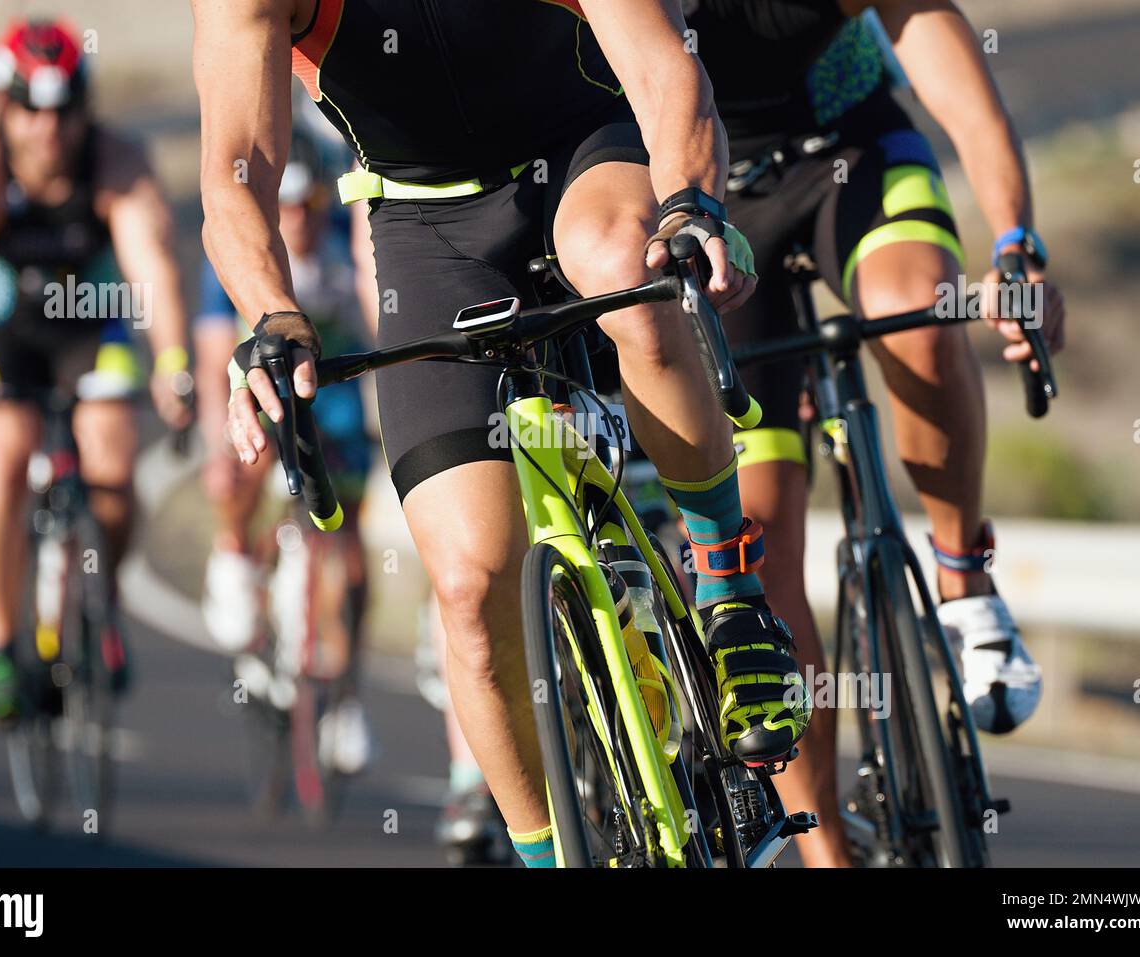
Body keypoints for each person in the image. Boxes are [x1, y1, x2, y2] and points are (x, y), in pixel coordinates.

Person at [192, 0, 810, 868]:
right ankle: (549, 857)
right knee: (471, 593)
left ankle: (729, 589)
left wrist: (688, 206)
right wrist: (272, 314)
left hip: (589, 150)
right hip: (425, 225)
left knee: (621, 264)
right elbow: (236, 166)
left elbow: (665, 70)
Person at [682, 0, 1067, 865]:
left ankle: (964, 576)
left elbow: (957, 86)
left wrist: (1017, 247)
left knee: (921, 319)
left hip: (848, 152)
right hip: (710, 211)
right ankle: (826, 852)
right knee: (762, 546)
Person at [0, 18, 192, 722]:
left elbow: (154, 270)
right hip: (6, 337)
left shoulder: (116, 161)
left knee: (112, 453)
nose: (49, 127)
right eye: (31, 109)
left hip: (89, 331)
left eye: (65, 108)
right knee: (6, 453)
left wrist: (172, 364)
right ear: (2, 105)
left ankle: (103, 599)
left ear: (86, 106)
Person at [193, 126, 374, 774]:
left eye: (310, 206)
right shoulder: (246, 260)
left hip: (333, 403)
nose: (297, 220)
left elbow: (378, 326)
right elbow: (216, 355)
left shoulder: (339, 254)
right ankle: (236, 555)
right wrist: (223, 443)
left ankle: (347, 694)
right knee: (234, 468)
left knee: (352, 559)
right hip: (260, 396)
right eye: (286, 207)